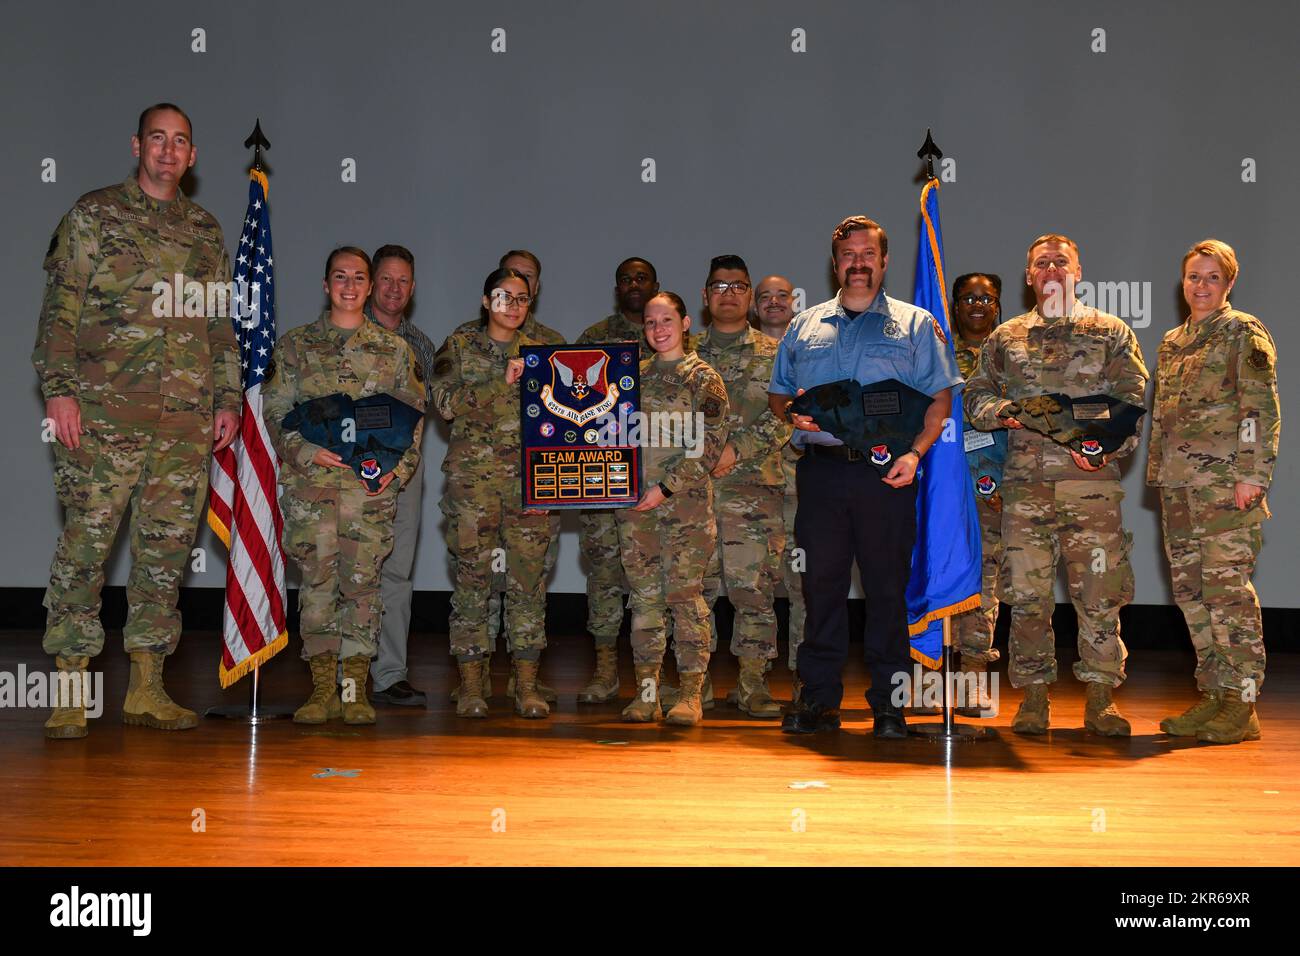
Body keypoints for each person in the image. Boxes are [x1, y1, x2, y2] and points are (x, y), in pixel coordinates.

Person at [36, 103, 242, 739]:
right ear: (137, 145)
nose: (168, 150)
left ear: (193, 156)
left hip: (182, 426)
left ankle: (147, 688)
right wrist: (60, 393)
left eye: (181, 141)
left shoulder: (206, 232)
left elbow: (219, 326)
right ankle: (70, 689)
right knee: (86, 547)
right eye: (158, 138)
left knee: (165, 554)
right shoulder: (93, 214)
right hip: (102, 418)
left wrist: (228, 398)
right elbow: (59, 315)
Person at [769, 216, 961, 738]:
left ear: (884, 261)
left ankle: (889, 706)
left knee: (886, 592)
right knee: (821, 590)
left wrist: (917, 455)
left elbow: (940, 397)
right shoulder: (803, 326)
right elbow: (779, 392)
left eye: (867, 254)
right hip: (822, 476)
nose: (858, 263)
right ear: (835, 264)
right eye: (848, 255)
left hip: (887, 478)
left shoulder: (917, 324)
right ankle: (820, 701)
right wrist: (792, 414)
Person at [964, 234, 1148, 736]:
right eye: (1041, 263)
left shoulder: (1109, 332)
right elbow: (977, 393)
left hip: (1089, 487)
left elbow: (1131, 401)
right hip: (1024, 488)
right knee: (1026, 595)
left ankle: (1101, 697)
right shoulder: (1007, 336)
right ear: (1029, 276)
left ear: (1077, 271)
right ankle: (1034, 697)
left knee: (1098, 593)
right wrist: (999, 413)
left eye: (1060, 262)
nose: (1051, 270)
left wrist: (1104, 448)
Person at [263, 247, 424, 725]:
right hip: (312, 490)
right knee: (316, 587)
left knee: (363, 589)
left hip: (368, 494)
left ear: (371, 286)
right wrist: (306, 450)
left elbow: (411, 423)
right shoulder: (295, 346)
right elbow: (275, 412)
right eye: (340, 276)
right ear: (325, 284)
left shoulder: (395, 351)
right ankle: (320, 690)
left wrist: (399, 468)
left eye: (359, 278)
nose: (349, 286)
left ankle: (353, 689)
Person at [1149, 239, 1279, 744]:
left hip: (1227, 488)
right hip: (1179, 489)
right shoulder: (1172, 341)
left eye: (1211, 278)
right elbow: (1165, 418)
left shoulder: (1242, 332)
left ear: (1229, 283)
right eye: (1193, 277)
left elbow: (1258, 410)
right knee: (1191, 594)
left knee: (1229, 598)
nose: (1200, 287)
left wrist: (1252, 473)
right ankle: (1214, 695)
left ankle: (1242, 704)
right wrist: (1159, 475)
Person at [432, 268, 556, 718]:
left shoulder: (546, 356)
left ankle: (525, 686)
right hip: (474, 488)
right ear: (486, 301)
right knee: (472, 586)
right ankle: (470, 687)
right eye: (504, 297)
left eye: (522, 298)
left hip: (531, 488)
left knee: (528, 586)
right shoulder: (460, 347)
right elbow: (444, 405)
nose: (514, 306)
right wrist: (499, 380)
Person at [616, 292, 729, 725]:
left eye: (666, 320)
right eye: (649, 322)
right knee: (643, 602)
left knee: (685, 601)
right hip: (635, 509)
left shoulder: (703, 378)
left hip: (685, 509)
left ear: (685, 323)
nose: (658, 329)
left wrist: (664, 488)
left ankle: (690, 694)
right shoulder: (629, 377)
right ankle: (647, 694)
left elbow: (709, 446)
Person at [696, 256, 790, 718]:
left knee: (753, 590)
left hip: (754, 492)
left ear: (750, 297)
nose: (728, 293)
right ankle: (698, 682)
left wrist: (738, 449)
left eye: (738, 286)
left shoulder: (776, 355)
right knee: (696, 591)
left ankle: (752, 683)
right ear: (705, 296)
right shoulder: (682, 354)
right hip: (693, 495)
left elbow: (787, 415)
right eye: (719, 285)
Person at [572, 257, 661, 703]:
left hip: (657, 483)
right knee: (605, 574)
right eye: (625, 278)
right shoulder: (593, 339)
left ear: (655, 285)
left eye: (641, 278)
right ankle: (605, 670)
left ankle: (658, 677)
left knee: (658, 579)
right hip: (604, 479)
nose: (633, 284)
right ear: (616, 287)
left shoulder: (672, 338)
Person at [365, 245, 438, 707]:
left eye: (403, 281)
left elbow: (425, 411)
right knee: (344, 572)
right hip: (346, 473)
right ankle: (340, 672)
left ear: (412, 289)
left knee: (396, 572)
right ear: (371, 283)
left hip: (404, 472)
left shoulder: (422, 346)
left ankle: (389, 673)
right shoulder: (342, 334)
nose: (394, 288)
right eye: (386, 279)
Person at [949, 272, 1006, 716]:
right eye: (968, 297)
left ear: (998, 305)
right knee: (936, 575)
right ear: (953, 304)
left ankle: (970, 678)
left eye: (986, 298)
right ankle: (929, 676)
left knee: (984, 584)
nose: (977, 305)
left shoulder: (1012, 353)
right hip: (940, 487)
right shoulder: (936, 352)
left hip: (991, 488)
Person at [754, 276, 806, 705]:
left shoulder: (811, 349)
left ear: (795, 302)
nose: (773, 303)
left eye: (781, 296)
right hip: (753, 490)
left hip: (804, 487)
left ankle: (804, 676)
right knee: (755, 585)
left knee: (804, 586)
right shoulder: (737, 354)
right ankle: (755, 678)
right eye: (765, 297)